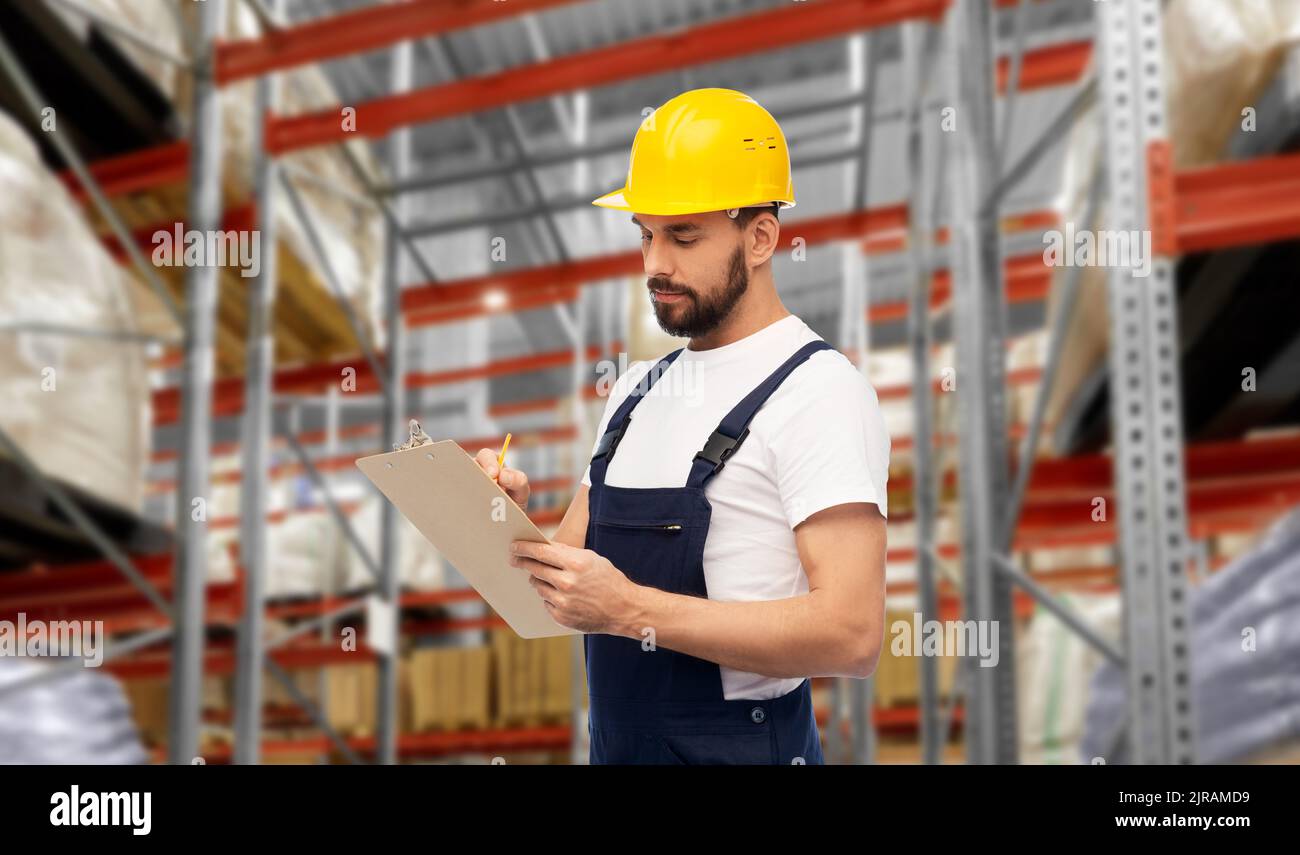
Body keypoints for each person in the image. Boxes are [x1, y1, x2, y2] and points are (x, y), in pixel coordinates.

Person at [476, 88, 889, 764]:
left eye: (683, 235)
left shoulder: (819, 392)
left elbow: (851, 633)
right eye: (645, 233)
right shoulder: (634, 395)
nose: (654, 264)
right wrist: (496, 518)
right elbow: (557, 597)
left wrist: (628, 609)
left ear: (760, 236)